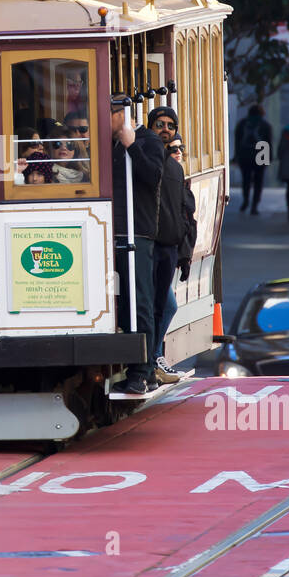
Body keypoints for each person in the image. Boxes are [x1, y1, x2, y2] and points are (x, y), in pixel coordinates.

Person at [110, 93, 164, 396]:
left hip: (138, 233)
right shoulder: (112, 146)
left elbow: (153, 176)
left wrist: (132, 145)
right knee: (123, 302)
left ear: (120, 114)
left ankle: (144, 370)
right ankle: (132, 367)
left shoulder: (148, 141)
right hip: (114, 231)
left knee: (140, 300)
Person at [152, 135, 196, 383]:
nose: (178, 152)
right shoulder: (166, 178)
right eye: (173, 149)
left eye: (182, 148)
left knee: (164, 306)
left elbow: (186, 222)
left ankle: (155, 357)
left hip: (170, 254)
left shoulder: (180, 180)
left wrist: (185, 256)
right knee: (166, 306)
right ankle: (154, 358)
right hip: (156, 253)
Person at [234, 103, 273, 214]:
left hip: (245, 156)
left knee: (246, 180)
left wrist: (236, 156)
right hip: (261, 156)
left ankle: (246, 200)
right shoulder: (265, 125)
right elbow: (268, 142)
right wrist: (269, 157)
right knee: (258, 181)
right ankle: (254, 205)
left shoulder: (242, 124)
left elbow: (237, 141)